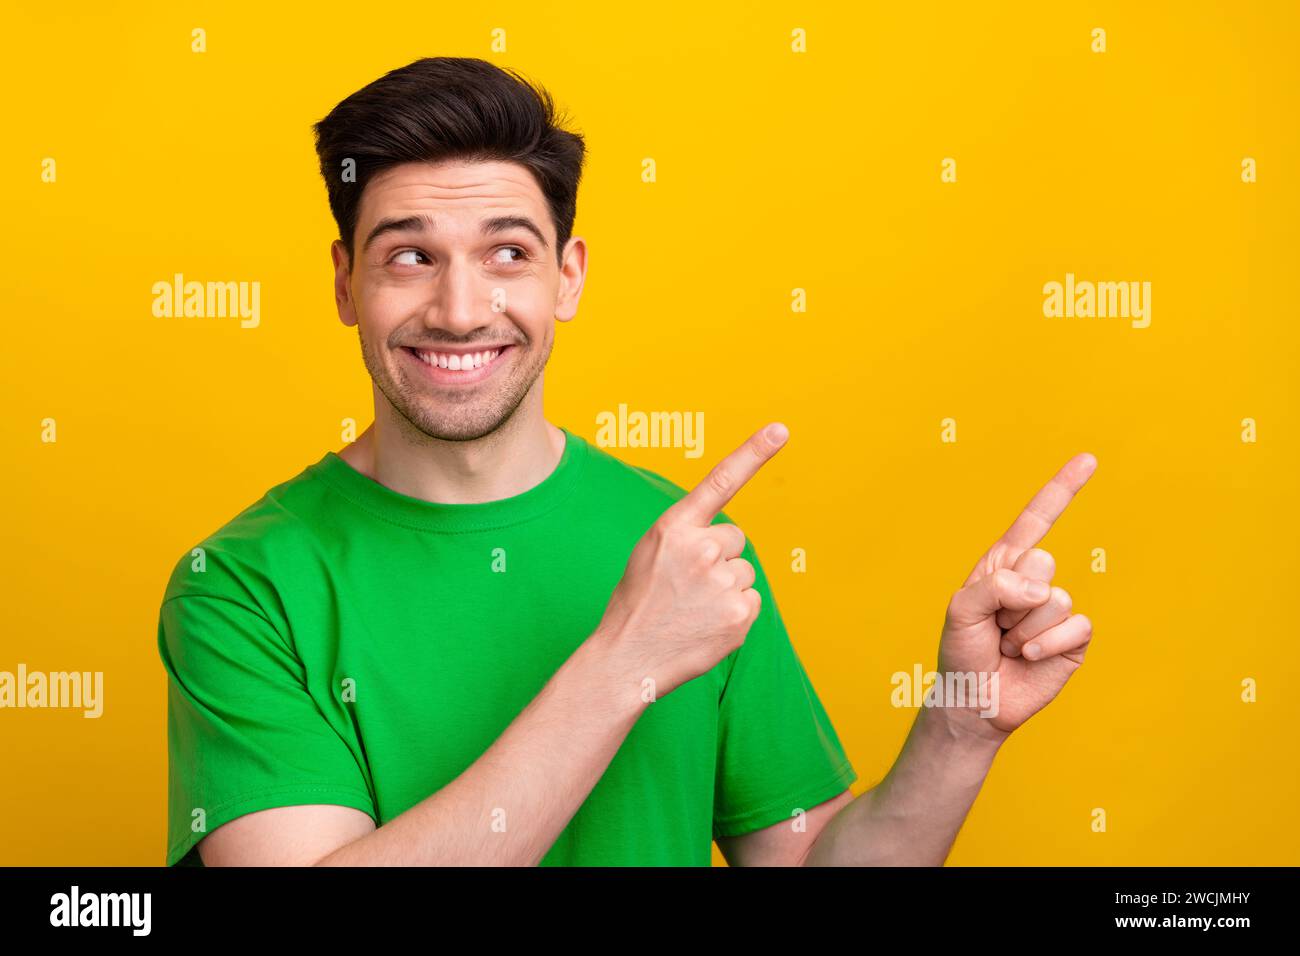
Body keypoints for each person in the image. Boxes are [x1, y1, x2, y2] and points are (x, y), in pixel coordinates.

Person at [157, 56, 1096, 867]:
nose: (458, 309)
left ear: (568, 276)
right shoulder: (242, 584)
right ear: (343, 283)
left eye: (507, 253)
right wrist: (628, 663)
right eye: (409, 257)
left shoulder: (687, 548)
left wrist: (958, 728)